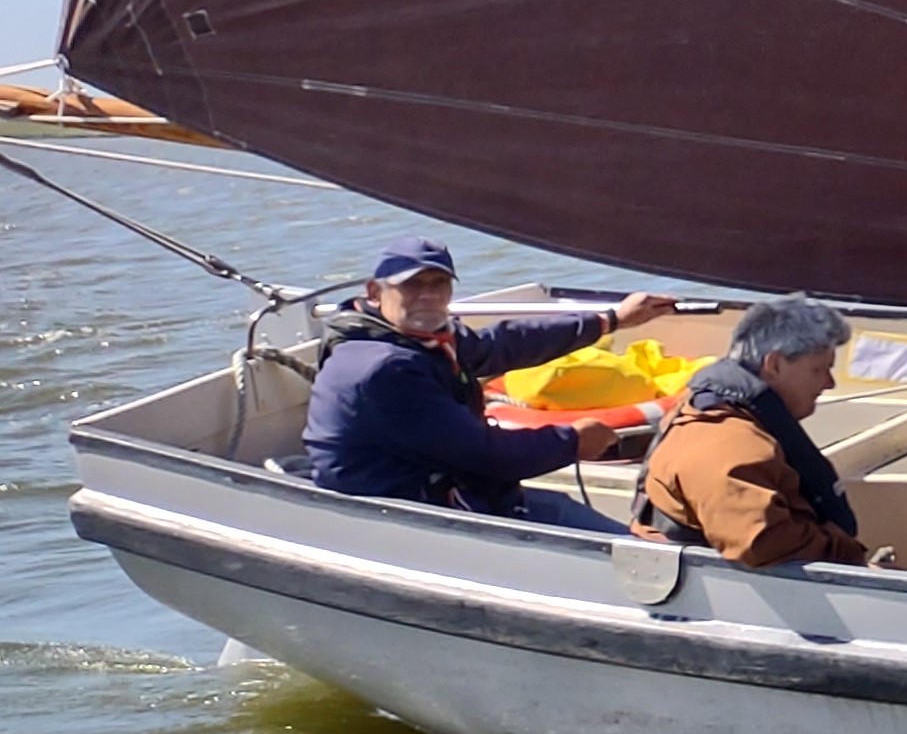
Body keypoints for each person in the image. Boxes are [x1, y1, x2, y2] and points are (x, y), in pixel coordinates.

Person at [300, 238, 674, 531]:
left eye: (438, 284)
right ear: (374, 292)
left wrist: (610, 320)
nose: (428, 296)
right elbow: (486, 455)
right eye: (411, 286)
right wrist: (574, 442)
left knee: (581, 519)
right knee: (619, 547)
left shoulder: (419, 337)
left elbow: (502, 345)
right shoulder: (384, 369)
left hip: (453, 487)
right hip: (405, 517)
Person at [635, 298, 870, 568]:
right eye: (819, 369)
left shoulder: (733, 416)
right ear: (775, 365)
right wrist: (855, 561)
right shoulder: (725, 444)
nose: (829, 383)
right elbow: (762, 543)